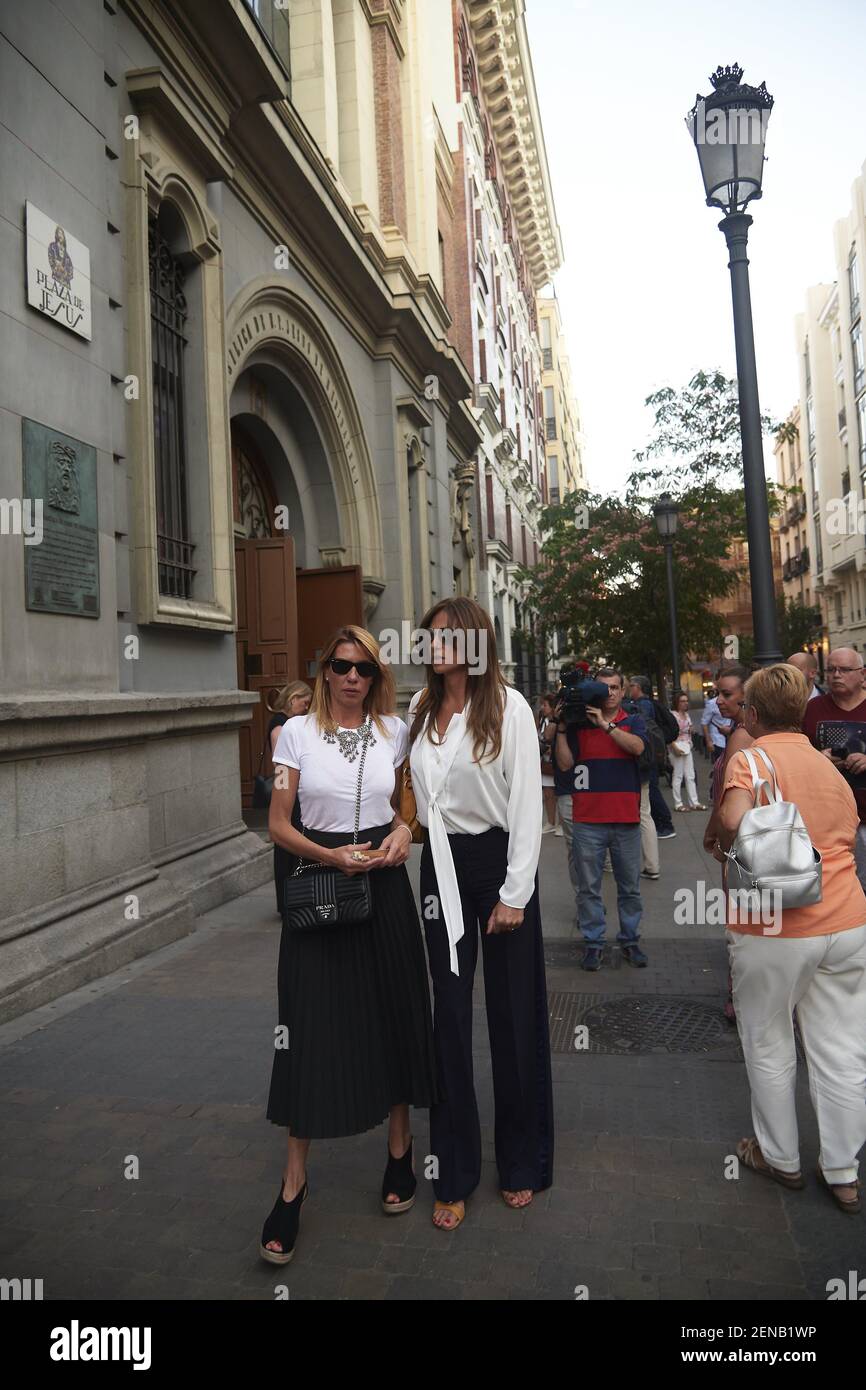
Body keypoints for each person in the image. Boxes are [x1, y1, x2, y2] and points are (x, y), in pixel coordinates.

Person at [261, 626, 437, 1263]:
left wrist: (400, 832)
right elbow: (279, 824)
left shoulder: (393, 732)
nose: (351, 677)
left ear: (375, 674)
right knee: (309, 1029)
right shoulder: (296, 736)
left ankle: (400, 1151)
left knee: (394, 1013)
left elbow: (410, 808)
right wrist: (330, 856)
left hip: (385, 891)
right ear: (325, 672)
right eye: (340, 666)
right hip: (324, 888)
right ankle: (293, 1184)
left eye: (363, 667)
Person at [408, 597, 553, 1231]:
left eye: (450, 634)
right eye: (430, 635)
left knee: (514, 1018)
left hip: (499, 863)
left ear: (475, 642)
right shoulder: (416, 710)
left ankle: (522, 1161)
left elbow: (527, 805)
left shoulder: (509, 707)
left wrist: (515, 892)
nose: (438, 643)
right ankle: (455, 1170)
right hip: (439, 867)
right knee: (449, 1022)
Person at [717, 664, 866, 1214]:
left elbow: (733, 821)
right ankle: (844, 1171)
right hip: (847, 921)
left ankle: (780, 1158)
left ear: (753, 714)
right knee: (842, 1049)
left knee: (768, 1040)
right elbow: (847, 831)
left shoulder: (751, 759)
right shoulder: (829, 768)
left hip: (775, 924)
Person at [556, 669, 648, 971]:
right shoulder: (579, 725)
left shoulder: (632, 720)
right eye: (603, 688)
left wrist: (606, 726)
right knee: (588, 888)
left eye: (614, 688)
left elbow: (637, 747)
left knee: (630, 887)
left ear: (623, 691)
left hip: (625, 819)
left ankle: (630, 940)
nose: (609, 693)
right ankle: (593, 942)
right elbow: (565, 763)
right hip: (587, 820)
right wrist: (560, 728)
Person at [701, 664, 752, 1023]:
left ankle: (743, 995)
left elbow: (727, 796)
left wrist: (716, 833)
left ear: (748, 697)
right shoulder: (737, 729)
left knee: (741, 918)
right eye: (717, 693)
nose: (718, 700)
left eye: (726, 694)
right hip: (740, 836)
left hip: (739, 839)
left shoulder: (742, 734)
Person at [802, 647, 866, 894]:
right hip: (827, 816)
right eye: (831, 669)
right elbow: (796, 753)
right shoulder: (812, 709)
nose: (836, 675)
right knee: (834, 888)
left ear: (862, 674)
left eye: (844, 670)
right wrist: (820, 759)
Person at [267, 681, 312, 914]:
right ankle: (288, 901)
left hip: (292, 792)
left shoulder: (287, 724)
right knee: (287, 846)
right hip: (289, 795)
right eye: (304, 703)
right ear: (293, 699)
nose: (306, 708)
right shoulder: (281, 726)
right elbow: (280, 765)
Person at [628, 676, 676, 839]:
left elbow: (643, 727)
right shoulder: (641, 703)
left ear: (639, 688)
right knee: (650, 790)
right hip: (652, 753)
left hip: (649, 754)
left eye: (632, 685)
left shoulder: (644, 705)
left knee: (652, 790)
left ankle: (665, 824)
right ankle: (661, 823)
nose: (629, 687)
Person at [670, 692, 705, 812]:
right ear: (677, 703)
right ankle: (678, 803)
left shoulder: (687, 715)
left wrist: (691, 730)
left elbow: (688, 729)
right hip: (677, 746)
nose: (686, 703)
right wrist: (673, 747)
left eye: (686, 701)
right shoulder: (673, 715)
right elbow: (668, 733)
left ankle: (694, 802)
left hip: (687, 745)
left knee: (690, 775)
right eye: (682, 701)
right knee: (678, 775)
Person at [701, 690, 732, 795]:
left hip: (730, 739)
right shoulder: (711, 704)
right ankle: (714, 793)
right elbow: (704, 723)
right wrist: (709, 741)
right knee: (720, 767)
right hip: (717, 740)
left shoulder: (733, 702)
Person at [538, 693, 559, 834]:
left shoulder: (559, 722)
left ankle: (562, 824)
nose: (542, 707)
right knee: (547, 793)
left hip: (556, 762)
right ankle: (551, 822)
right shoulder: (542, 720)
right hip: (545, 763)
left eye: (545, 705)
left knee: (559, 794)